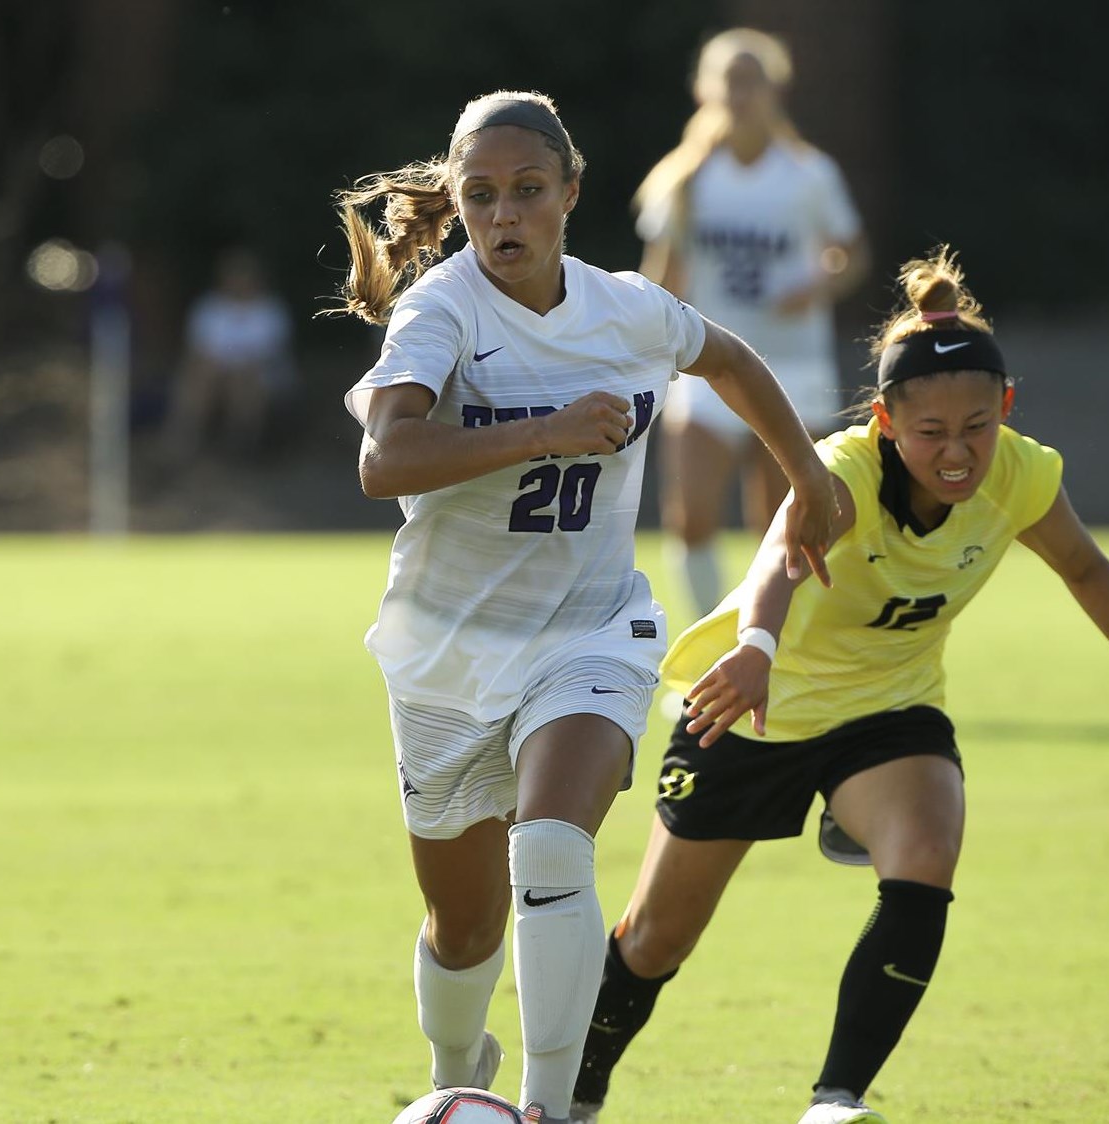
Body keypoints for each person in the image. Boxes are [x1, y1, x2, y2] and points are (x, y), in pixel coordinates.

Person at [569, 248, 1109, 1124]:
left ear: (1006, 408)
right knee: (655, 939)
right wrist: (755, 643)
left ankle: (836, 1100)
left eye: (977, 426)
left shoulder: (1021, 474)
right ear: (884, 422)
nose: (957, 452)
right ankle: (574, 1093)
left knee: (925, 857)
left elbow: (1088, 571)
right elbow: (779, 560)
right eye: (931, 432)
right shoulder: (843, 473)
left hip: (887, 712)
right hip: (756, 707)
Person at [331, 90, 841, 1124]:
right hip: (445, 650)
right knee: (462, 927)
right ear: (461, 207)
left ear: (571, 192)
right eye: (481, 196)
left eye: (527, 190)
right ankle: (452, 1070)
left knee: (554, 847)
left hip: (591, 628)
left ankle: (552, 1110)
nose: (504, 214)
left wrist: (806, 480)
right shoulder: (445, 311)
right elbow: (384, 461)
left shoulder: (627, 308)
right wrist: (546, 431)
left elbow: (730, 358)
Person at [636, 28, 870, 619]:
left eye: (752, 79)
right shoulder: (684, 178)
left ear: (775, 88)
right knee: (689, 518)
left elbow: (852, 256)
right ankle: (707, 644)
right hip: (709, 368)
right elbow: (661, 279)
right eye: (729, 79)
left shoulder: (809, 174)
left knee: (780, 522)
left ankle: (768, 646)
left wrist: (817, 282)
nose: (740, 93)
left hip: (791, 367)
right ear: (705, 90)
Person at [159, 247, 297, 467]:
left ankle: (241, 447)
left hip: (259, 379)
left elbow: (268, 358)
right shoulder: (208, 308)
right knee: (198, 377)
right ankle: (181, 443)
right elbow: (196, 353)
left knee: (243, 382)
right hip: (215, 375)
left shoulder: (271, 311)